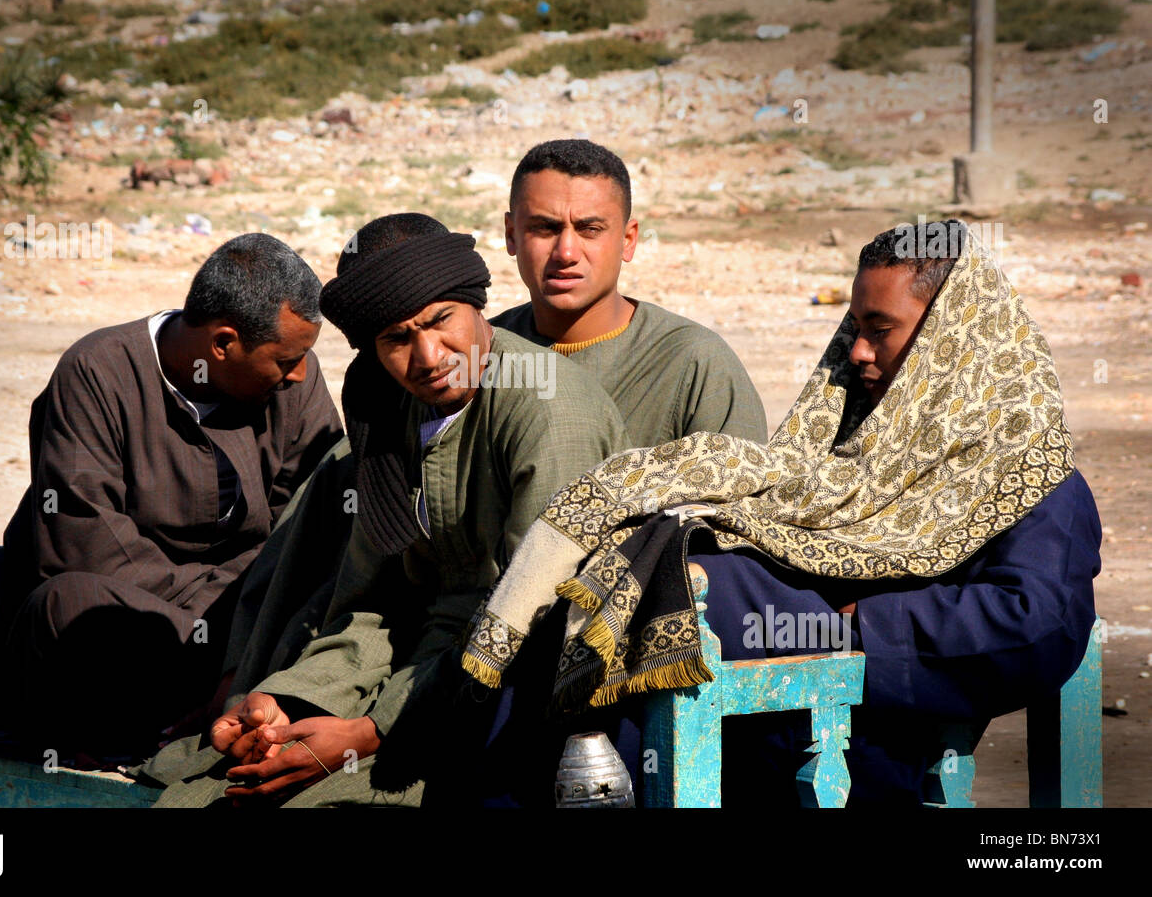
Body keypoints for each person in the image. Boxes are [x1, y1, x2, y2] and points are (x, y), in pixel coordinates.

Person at [461, 219, 1101, 807]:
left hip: (851, 734)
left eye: (880, 330)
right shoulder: (840, 458)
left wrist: (858, 628)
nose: (855, 352)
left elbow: (1038, 623)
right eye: (855, 330)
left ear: (952, 340)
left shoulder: (1029, 477)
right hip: (749, 713)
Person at [146, 214, 629, 806]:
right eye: (397, 339)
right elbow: (372, 602)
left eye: (440, 321)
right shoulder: (389, 409)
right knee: (224, 789)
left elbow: (529, 622)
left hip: (511, 695)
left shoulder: (548, 414)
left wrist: (372, 731)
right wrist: (290, 701)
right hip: (416, 666)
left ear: (476, 304)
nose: (427, 356)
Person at [0, 233, 343, 758]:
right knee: (71, 603)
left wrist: (240, 630)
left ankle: (222, 704)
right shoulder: (97, 374)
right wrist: (217, 614)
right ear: (223, 344)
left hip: (240, 636)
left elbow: (307, 526)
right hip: (121, 642)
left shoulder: (293, 384)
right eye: (285, 360)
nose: (301, 373)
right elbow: (85, 545)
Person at [491, 138, 767, 446]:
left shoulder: (693, 364)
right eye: (545, 228)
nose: (566, 252)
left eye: (590, 230)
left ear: (628, 240)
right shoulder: (482, 355)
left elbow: (742, 484)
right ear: (511, 235)